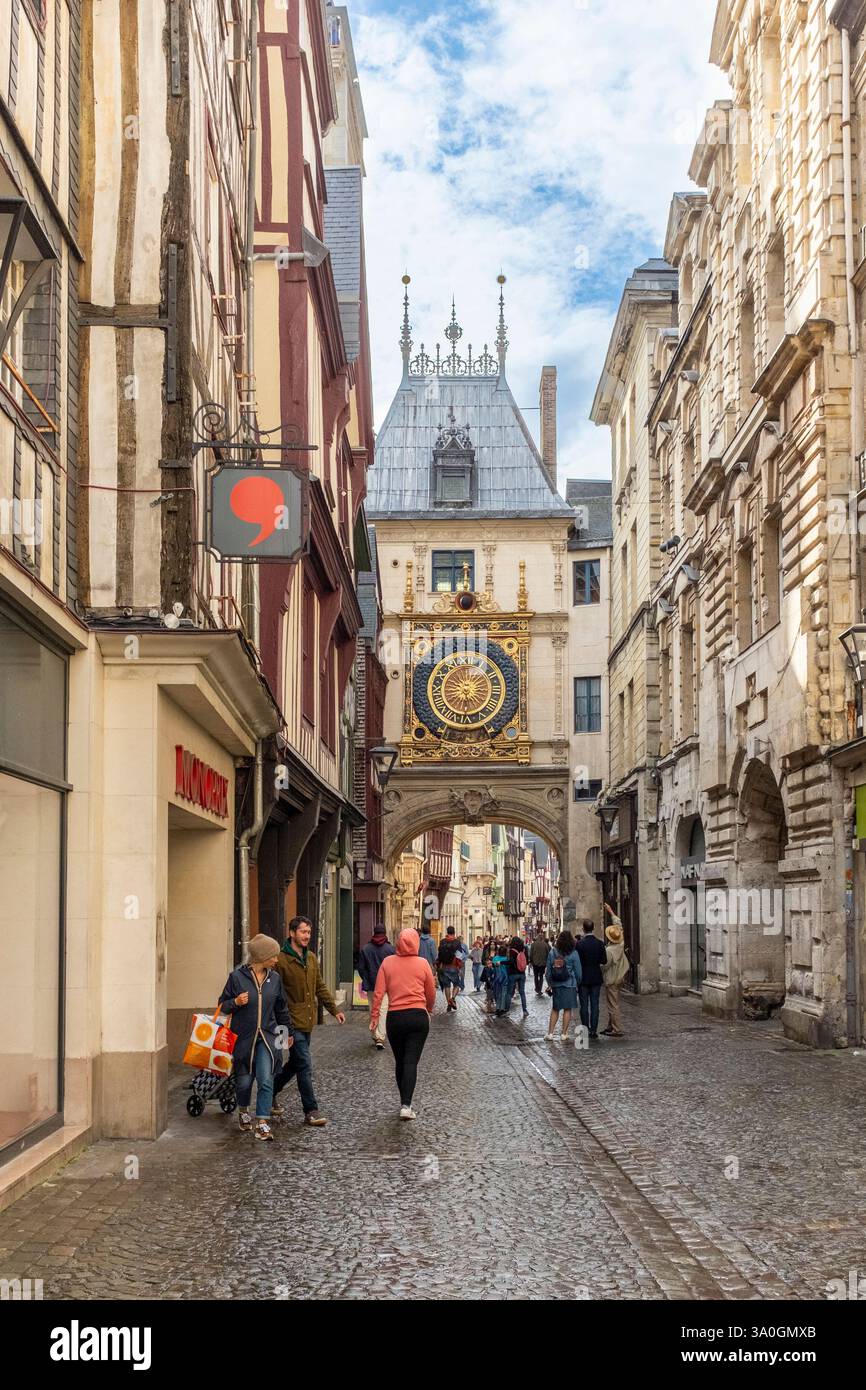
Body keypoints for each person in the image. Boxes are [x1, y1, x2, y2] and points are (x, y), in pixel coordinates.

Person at [218, 934, 294, 1141]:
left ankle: (262, 1123)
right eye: (273, 956)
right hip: (243, 1038)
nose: (276, 960)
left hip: (267, 1038)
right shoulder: (237, 978)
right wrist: (236, 1001)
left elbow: (281, 1009)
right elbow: (222, 1006)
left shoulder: (275, 979)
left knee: (266, 1078)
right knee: (243, 1082)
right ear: (262, 956)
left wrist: (288, 1032)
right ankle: (243, 1110)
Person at [272, 914, 345, 1126]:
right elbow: (276, 994)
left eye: (309, 932)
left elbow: (319, 986)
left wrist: (333, 1009)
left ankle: (271, 1090)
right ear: (292, 933)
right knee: (304, 1063)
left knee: (296, 1063)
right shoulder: (281, 960)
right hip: (287, 1022)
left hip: (307, 1020)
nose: (307, 936)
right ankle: (310, 1110)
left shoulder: (311, 958)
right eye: (303, 932)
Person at [370, 927, 437, 1119]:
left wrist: (375, 1016)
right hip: (418, 1017)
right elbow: (430, 992)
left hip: (395, 1018)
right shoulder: (423, 963)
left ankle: (404, 1102)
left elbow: (378, 992)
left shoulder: (387, 963)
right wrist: (429, 1009)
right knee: (411, 1061)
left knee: (400, 1060)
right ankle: (406, 1105)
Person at [358, 924, 396, 1050]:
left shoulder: (366, 948)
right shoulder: (390, 949)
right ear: (385, 933)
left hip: (371, 985)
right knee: (383, 1010)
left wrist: (366, 979)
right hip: (385, 986)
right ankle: (380, 1037)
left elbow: (361, 968)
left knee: (372, 1009)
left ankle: (375, 1034)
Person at [544, 930, 582, 1041]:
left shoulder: (553, 953)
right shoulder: (574, 953)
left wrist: (550, 984)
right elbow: (578, 972)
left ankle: (550, 1033)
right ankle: (564, 1033)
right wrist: (577, 983)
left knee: (555, 1008)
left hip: (556, 984)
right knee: (567, 1009)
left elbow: (548, 972)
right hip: (569, 984)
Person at [576, 918, 607, 1039]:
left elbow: (577, 962)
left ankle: (585, 1029)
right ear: (593, 928)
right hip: (595, 977)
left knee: (584, 1005)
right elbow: (604, 960)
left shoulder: (579, 944)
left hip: (583, 978)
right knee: (595, 1004)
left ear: (583, 929)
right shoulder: (599, 943)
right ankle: (593, 1030)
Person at [601, 903, 629, 1037]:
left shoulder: (610, 951)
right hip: (619, 977)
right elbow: (619, 925)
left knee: (613, 1004)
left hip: (611, 978)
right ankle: (610, 1026)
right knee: (613, 1002)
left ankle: (616, 1028)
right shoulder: (621, 943)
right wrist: (610, 911)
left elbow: (604, 966)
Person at [500, 935, 529, 1017]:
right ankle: (525, 1010)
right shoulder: (523, 949)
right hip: (522, 973)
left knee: (509, 993)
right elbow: (527, 960)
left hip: (513, 973)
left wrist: (502, 962)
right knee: (522, 992)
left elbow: (511, 961)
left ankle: (507, 1010)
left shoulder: (512, 951)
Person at [437, 925, 463, 1011]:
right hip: (453, 966)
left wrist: (439, 965)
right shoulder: (457, 942)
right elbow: (459, 956)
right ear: (454, 932)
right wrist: (459, 967)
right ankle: (453, 999)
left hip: (444, 967)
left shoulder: (442, 941)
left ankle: (448, 1003)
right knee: (457, 984)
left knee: (447, 986)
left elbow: (439, 955)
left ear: (447, 932)